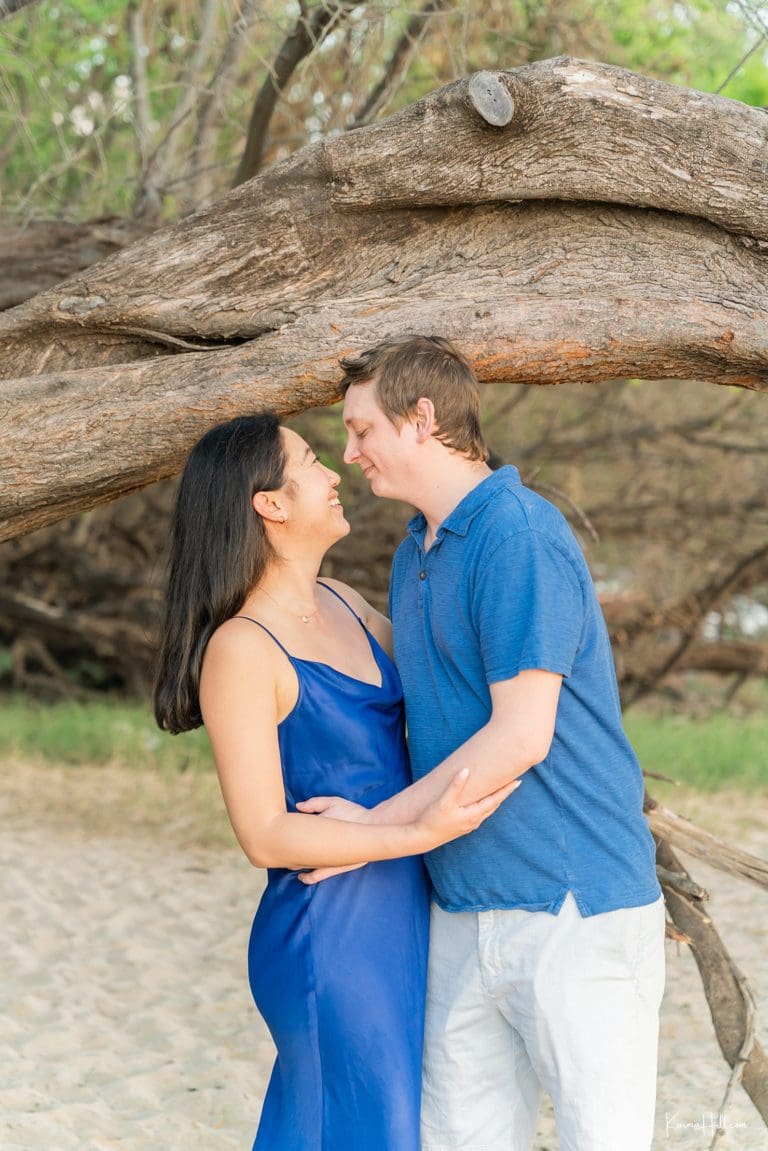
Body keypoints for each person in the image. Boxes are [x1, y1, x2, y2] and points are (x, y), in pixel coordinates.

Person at [297, 336, 666, 1151]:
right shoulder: (413, 552)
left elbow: (521, 735)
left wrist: (367, 830)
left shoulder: (517, 535)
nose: (350, 452)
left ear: (421, 418)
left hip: (573, 906)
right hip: (462, 906)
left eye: (362, 431)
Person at [152, 412, 517, 1151]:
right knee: (359, 1126)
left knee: (363, 1123)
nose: (334, 473)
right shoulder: (242, 649)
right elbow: (263, 832)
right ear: (271, 504)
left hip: (401, 912)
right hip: (328, 927)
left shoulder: (347, 602)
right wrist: (413, 830)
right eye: (313, 460)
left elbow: (451, 679)